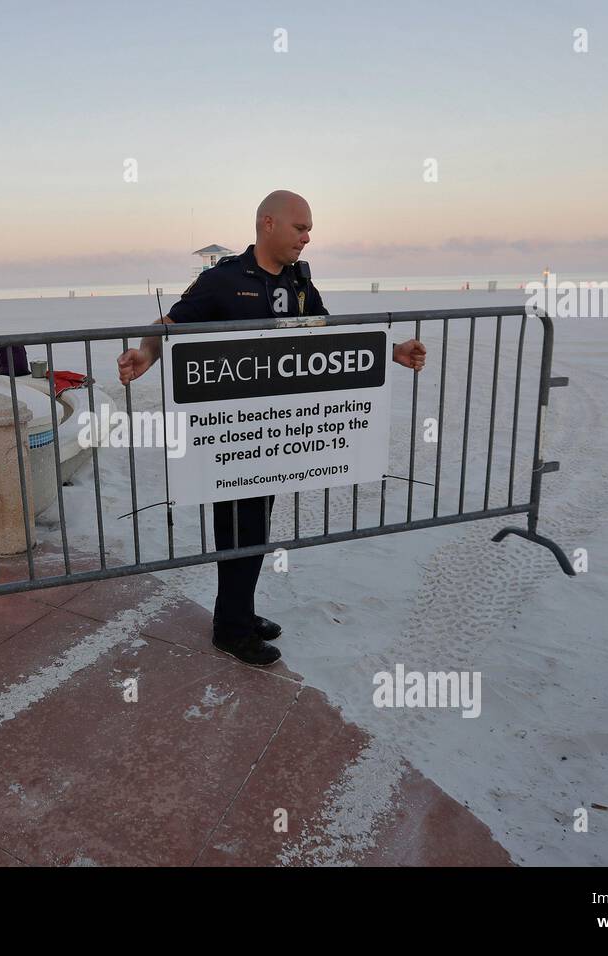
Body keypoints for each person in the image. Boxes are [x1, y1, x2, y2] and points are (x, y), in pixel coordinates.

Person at [116, 190, 427, 666]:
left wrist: (391, 352)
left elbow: (329, 332)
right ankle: (230, 627)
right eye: (300, 228)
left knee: (257, 526)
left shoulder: (301, 283)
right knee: (238, 528)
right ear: (268, 224)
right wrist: (146, 354)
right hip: (229, 433)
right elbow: (169, 324)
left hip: (274, 433)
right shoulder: (222, 279)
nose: (307, 237)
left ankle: (240, 610)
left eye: (309, 230)